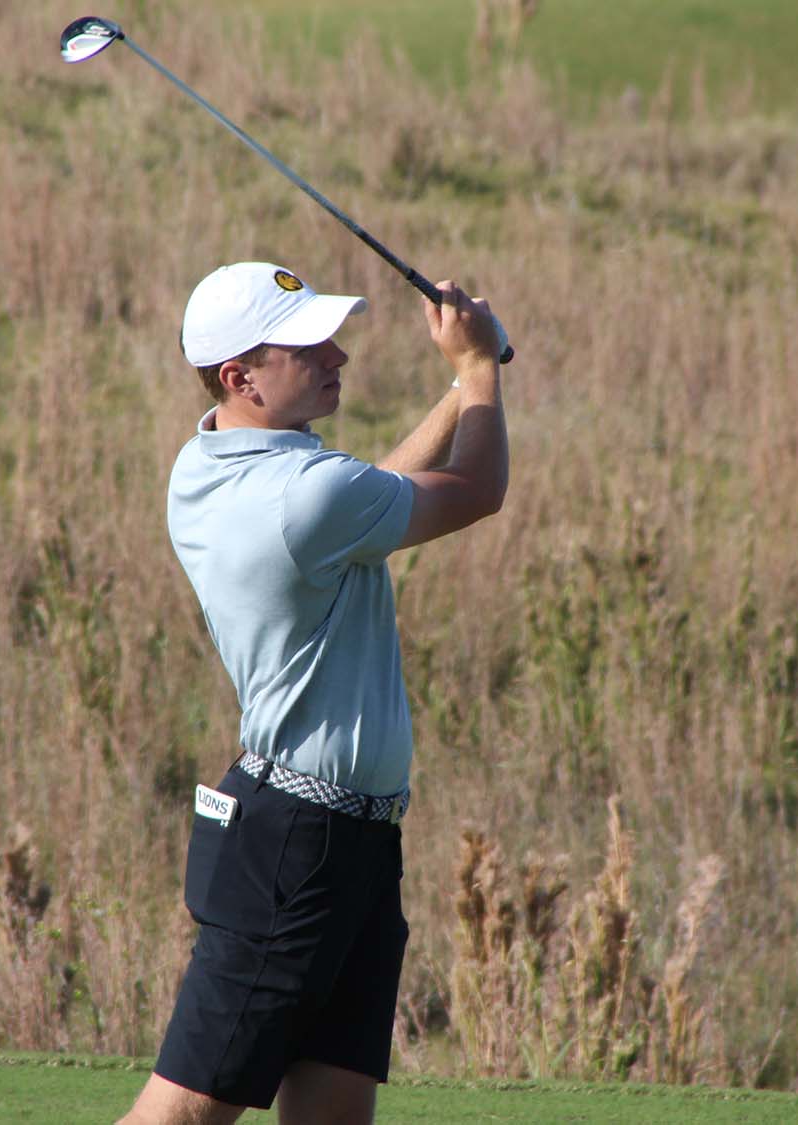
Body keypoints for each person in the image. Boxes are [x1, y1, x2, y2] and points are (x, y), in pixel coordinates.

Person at [121, 262, 509, 1125]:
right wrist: (480, 370)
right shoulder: (308, 497)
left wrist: (458, 387)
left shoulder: (207, 465)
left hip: (344, 841)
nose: (336, 353)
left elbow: (361, 504)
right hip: (295, 851)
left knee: (332, 1114)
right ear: (240, 376)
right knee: (181, 1112)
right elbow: (476, 492)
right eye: (304, 346)